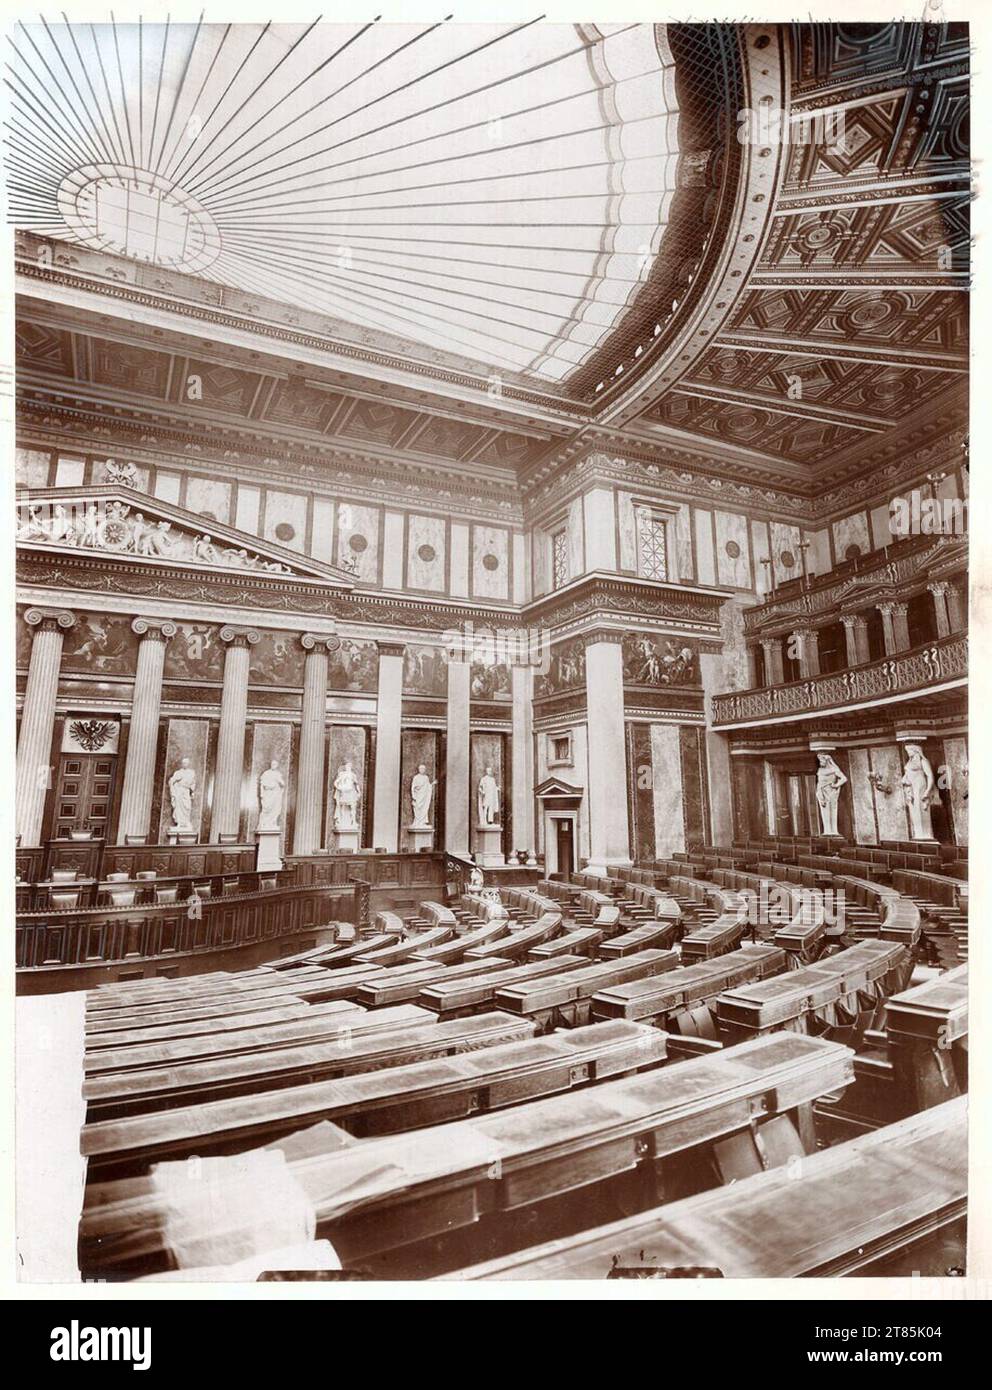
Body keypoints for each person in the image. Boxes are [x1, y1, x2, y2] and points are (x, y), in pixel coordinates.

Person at [902, 744, 937, 840]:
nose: (908, 752)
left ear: (916, 750)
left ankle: (925, 835)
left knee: (921, 809)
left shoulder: (923, 761)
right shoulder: (910, 762)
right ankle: (918, 834)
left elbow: (930, 776)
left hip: (920, 785)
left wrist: (927, 791)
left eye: (909, 750)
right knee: (914, 810)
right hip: (911, 787)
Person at [815, 752, 848, 836]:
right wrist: (819, 793)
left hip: (831, 792)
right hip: (822, 792)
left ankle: (834, 831)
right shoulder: (820, 770)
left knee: (832, 810)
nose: (820, 763)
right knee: (824, 811)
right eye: (819, 761)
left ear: (827, 760)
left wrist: (836, 785)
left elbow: (844, 778)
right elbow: (819, 782)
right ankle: (827, 830)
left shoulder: (833, 769)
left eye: (822, 760)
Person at [168, 757, 197, 833]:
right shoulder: (178, 773)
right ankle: (180, 823)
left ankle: (186, 822)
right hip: (179, 791)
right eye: (183, 763)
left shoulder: (191, 772)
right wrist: (174, 789)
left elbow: (193, 783)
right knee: (179, 807)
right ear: (182, 764)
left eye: (186, 763)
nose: (185, 764)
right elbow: (171, 781)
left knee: (187, 806)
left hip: (186, 791)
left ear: (188, 764)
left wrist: (193, 792)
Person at [333, 761, 361, 832]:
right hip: (344, 791)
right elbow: (336, 782)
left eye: (349, 766)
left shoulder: (353, 775)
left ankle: (353, 821)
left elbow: (356, 784)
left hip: (351, 792)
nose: (348, 767)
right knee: (343, 807)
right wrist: (340, 788)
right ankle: (342, 821)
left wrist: (359, 792)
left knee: (353, 807)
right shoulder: (343, 774)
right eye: (347, 766)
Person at [258, 759, 285, 832]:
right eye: (273, 764)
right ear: (271, 765)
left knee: (275, 809)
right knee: (266, 808)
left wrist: (279, 781)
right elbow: (262, 784)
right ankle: (264, 823)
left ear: (277, 766)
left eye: (275, 764)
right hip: (268, 793)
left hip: (275, 794)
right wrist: (262, 794)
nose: (274, 766)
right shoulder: (266, 773)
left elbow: (283, 784)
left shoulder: (278, 774)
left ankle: (272, 823)